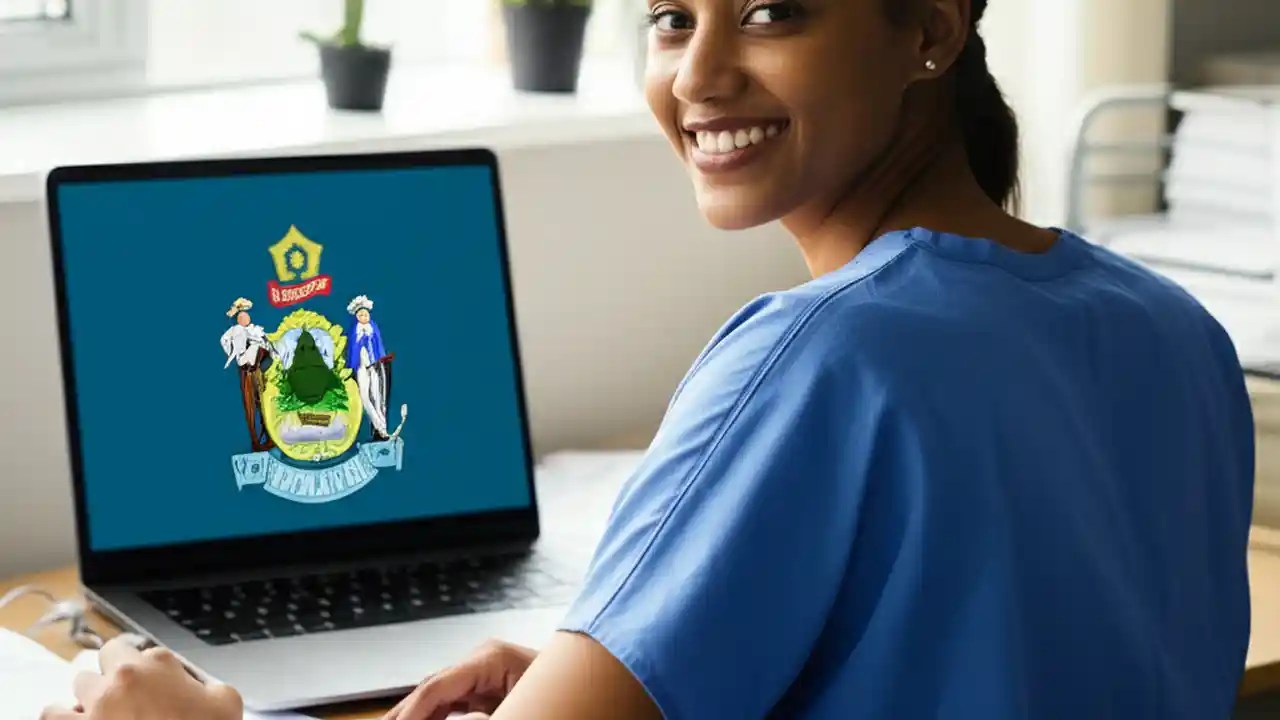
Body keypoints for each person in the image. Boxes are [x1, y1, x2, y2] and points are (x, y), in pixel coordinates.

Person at [46, 0, 1254, 718]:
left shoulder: (818, 358)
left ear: (930, 29)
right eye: (670, 15)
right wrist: (624, 659)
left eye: (772, 10)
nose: (698, 74)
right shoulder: (1171, 330)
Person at [219, 297, 273, 451]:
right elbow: (225, 341)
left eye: (246, 316)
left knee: (263, 403)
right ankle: (256, 441)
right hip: (247, 372)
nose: (244, 318)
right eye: (241, 316)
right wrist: (233, 352)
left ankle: (268, 436)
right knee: (250, 406)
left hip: (257, 371)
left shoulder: (255, 331)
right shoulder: (236, 331)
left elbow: (267, 347)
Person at [347, 294, 392, 439]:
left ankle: (382, 428)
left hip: (373, 367)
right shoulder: (355, 331)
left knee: (378, 398)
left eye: (366, 314)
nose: (364, 317)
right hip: (361, 368)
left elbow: (378, 347)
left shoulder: (373, 329)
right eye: (361, 315)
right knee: (365, 398)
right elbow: (353, 349)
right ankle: (378, 424)